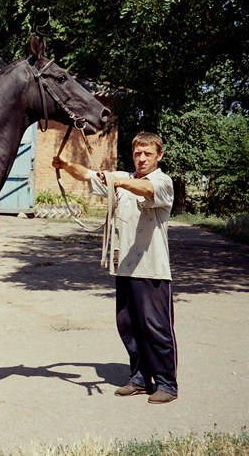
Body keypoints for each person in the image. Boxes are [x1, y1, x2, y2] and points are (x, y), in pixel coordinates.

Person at [52, 131, 178, 404]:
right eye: (137, 153)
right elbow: (87, 175)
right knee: (128, 326)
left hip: (152, 268)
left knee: (156, 328)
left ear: (159, 155)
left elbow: (146, 190)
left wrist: (118, 181)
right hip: (125, 267)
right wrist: (65, 165)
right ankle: (141, 378)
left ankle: (167, 383)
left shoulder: (162, 181)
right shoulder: (123, 179)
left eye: (147, 154)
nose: (142, 158)